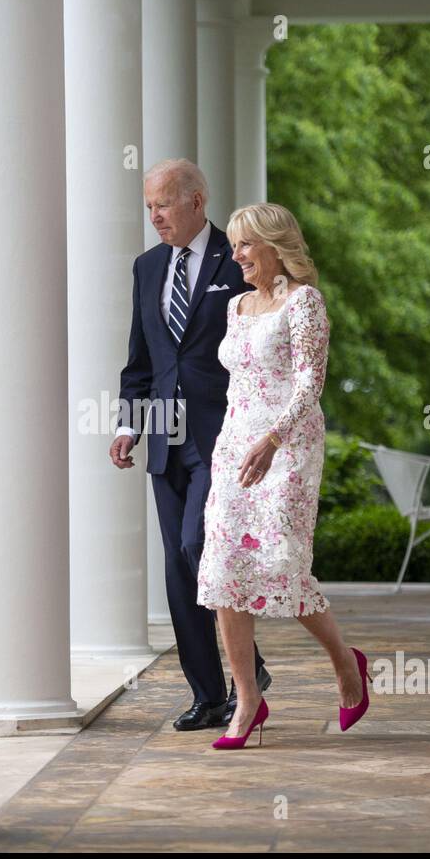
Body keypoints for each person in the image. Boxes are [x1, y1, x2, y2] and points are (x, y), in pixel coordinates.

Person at [196, 202, 370, 750]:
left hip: (288, 448)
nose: (235, 255)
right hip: (235, 449)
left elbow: (308, 386)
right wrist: (233, 446)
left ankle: (346, 666)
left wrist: (272, 441)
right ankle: (247, 698)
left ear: (275, 245)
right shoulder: (237, 306)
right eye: (232, 244)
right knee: (224, 569)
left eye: (245, 244)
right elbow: (236, 385)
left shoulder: (305, 303)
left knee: (281, 565)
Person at [109, 159, 271, 731]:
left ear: (197, 202)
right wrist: (128, 425)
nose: (154, 215)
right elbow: (143, 357)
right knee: (178, 570)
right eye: (148, 206)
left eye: (163, 204)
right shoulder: (147, 267)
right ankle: (208, 695)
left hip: (222, 433)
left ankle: (246, 673)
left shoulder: (240, 258)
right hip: (164, 437)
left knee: (197, 545)